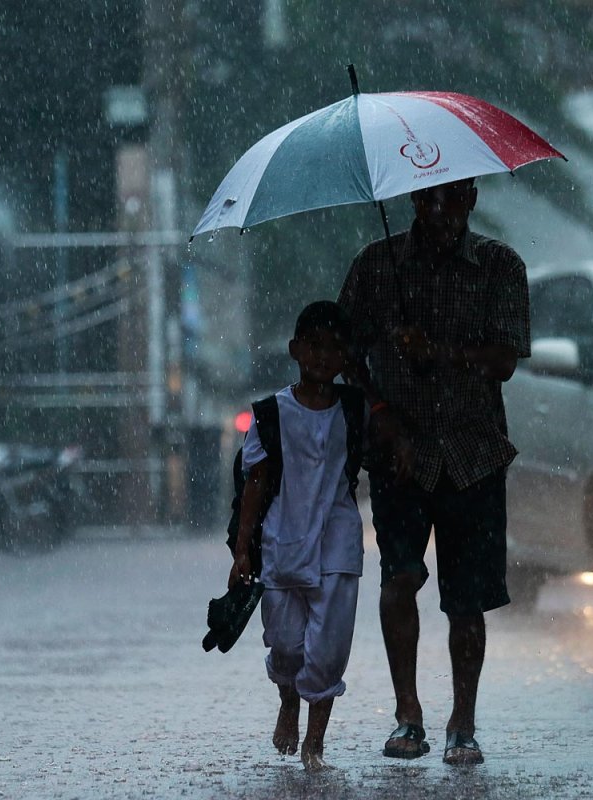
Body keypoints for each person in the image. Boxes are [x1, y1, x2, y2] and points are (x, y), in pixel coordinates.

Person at [337, 177, 530, 766]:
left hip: (474, 454)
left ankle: (462, 722)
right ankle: (408, 713)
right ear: (411, 200)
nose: (439, 211)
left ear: (472, 198)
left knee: (466, 600)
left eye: (451, 198)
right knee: (399, 579)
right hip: (401, 457)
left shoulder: (500, 266)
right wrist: (380, 412)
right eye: (427, 198)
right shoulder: (376, 266)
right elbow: (344, 351)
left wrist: (438, 352)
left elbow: (505, 359)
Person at [230, 300, 369, 772]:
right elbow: (255, 482)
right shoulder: (271, 413)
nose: (323, 356)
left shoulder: (355, 408)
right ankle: (288, 698)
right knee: (286, 642)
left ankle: (315, 743)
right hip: (283, 539)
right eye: (314, 345)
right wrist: (242, 550)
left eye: (334, 348)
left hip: (338, 539)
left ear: (346, 356)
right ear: (295, 349)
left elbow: (381, 452)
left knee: (328, 648)